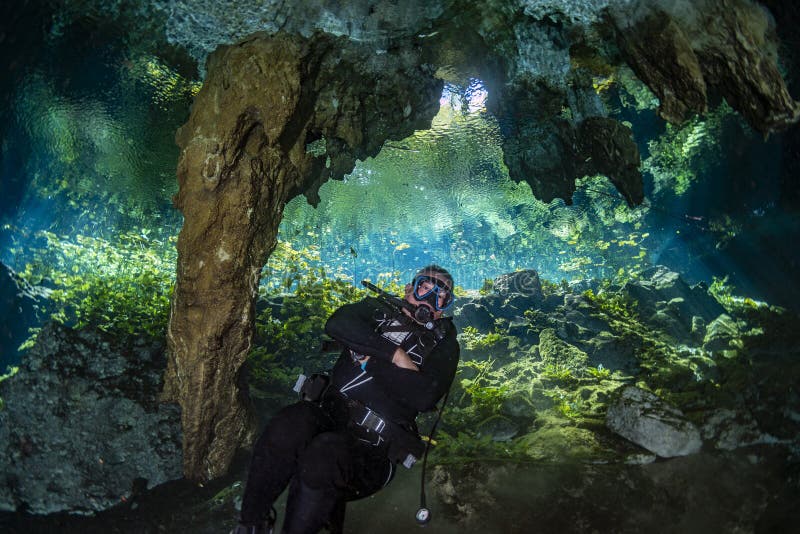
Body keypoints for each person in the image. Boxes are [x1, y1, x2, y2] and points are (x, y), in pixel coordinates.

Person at [231, 264, 461, 534]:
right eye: (424, 288)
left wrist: (368, 360)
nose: (430, 300)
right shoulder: (375, 310)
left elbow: (423, 395)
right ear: (409, 289)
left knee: (326, 453)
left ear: (444, 307)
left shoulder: (445, 345)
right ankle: (250, 525)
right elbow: (337, 324)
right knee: (289, 423)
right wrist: (396, 356)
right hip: (325, 416)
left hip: (373, 452)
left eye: (440, 295)